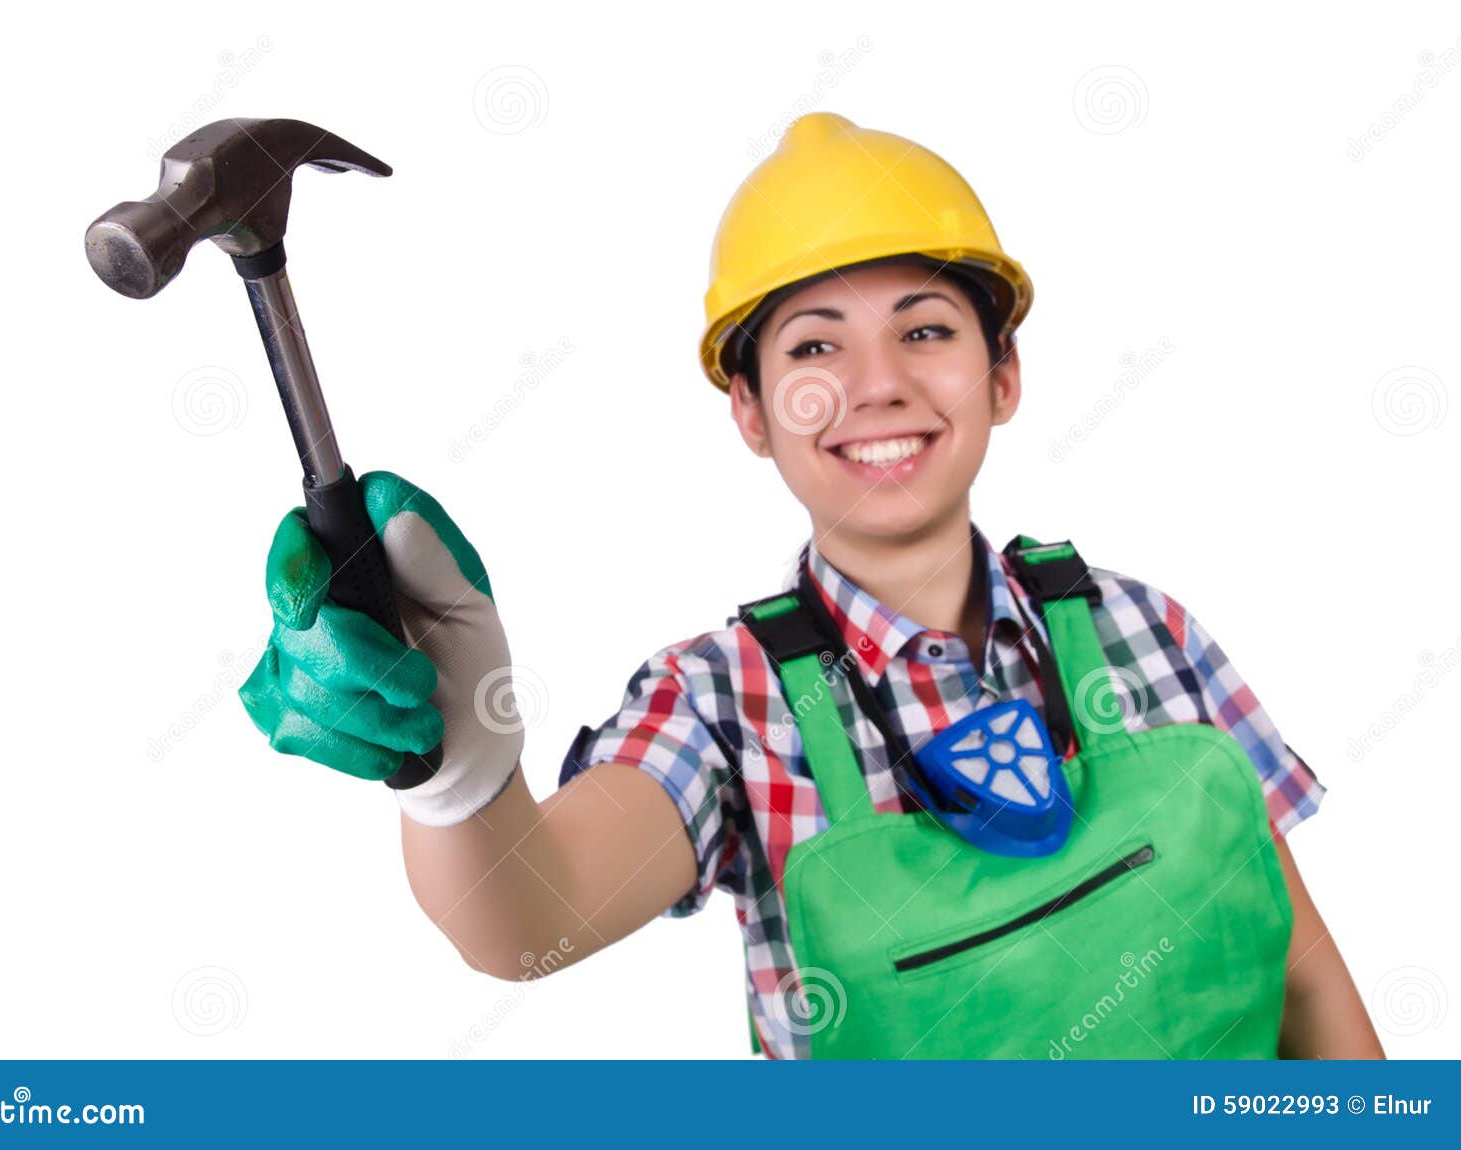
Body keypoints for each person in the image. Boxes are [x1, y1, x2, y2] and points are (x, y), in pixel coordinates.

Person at [237, 112, 1384, 1060]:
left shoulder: (1141, 626)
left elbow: (1300, 970)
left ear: (1005, 375)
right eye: (815, 348)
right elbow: (527, 923)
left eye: (925, 329)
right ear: (749, 411)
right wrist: (458, 779)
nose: (877, 386)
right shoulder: (722, 706)